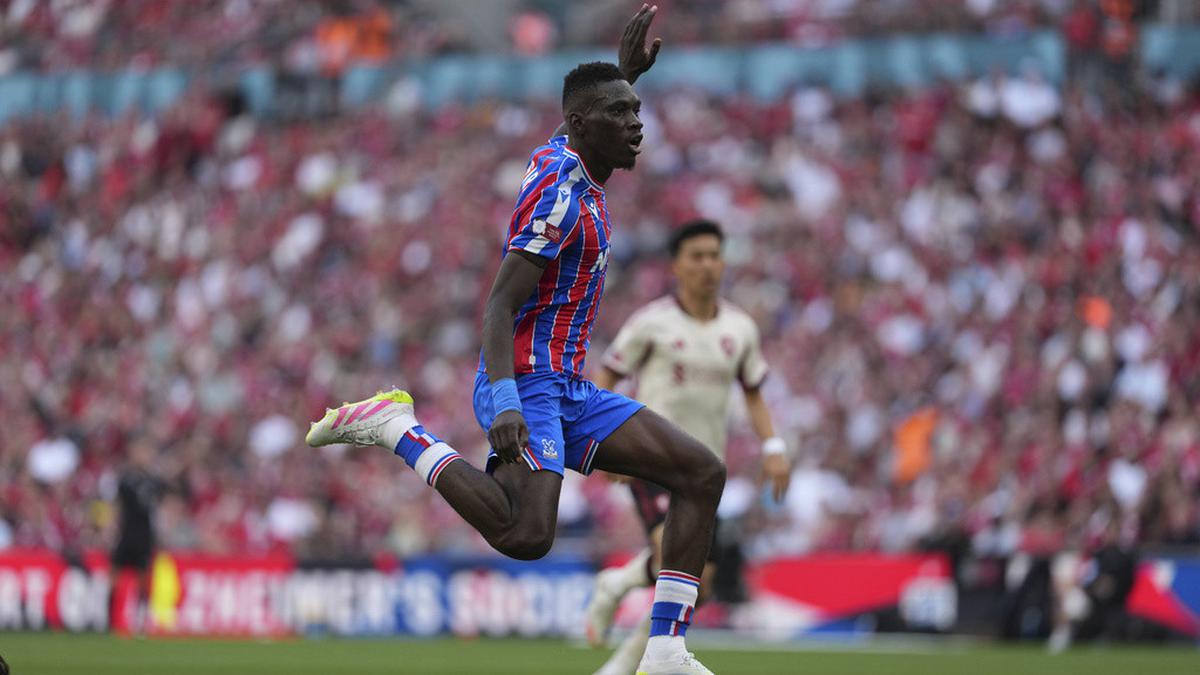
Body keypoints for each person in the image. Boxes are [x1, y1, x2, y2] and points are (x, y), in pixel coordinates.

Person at [306, 6, 722, 673]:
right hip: (526, 380)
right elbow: (499, 303)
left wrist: (621, 77)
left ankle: (666, 649)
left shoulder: (572, 154)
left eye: (636, 110)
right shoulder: (560, 194)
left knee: (701, 470)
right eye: (624, 114)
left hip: (570, 387)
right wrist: (504, 399)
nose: (638, 123)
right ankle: (398, 430)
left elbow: (581, 113)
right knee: (528, 534)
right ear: (587, 128)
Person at [584, 220, 792, 675]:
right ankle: (624, 667)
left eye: (714, 255)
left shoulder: (739, 328)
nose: (707, 265)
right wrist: (604, 438)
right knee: (671, 559)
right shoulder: (652, 323)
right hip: (652, 458)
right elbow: (608, 376)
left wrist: (773, 446)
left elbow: (754, 391)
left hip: (702, 473)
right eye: (696, 256)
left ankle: (619, 585)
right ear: (676, 266)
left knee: (699, 581)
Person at [109, 437, 165, 634]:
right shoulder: (126, 479)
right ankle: (109, 621)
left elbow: (159, 500)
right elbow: (124, 504)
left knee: (143, 580)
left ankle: (141, 621)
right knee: (114, 577)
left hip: (144, 535)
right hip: (127, 534)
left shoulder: (152, 480)